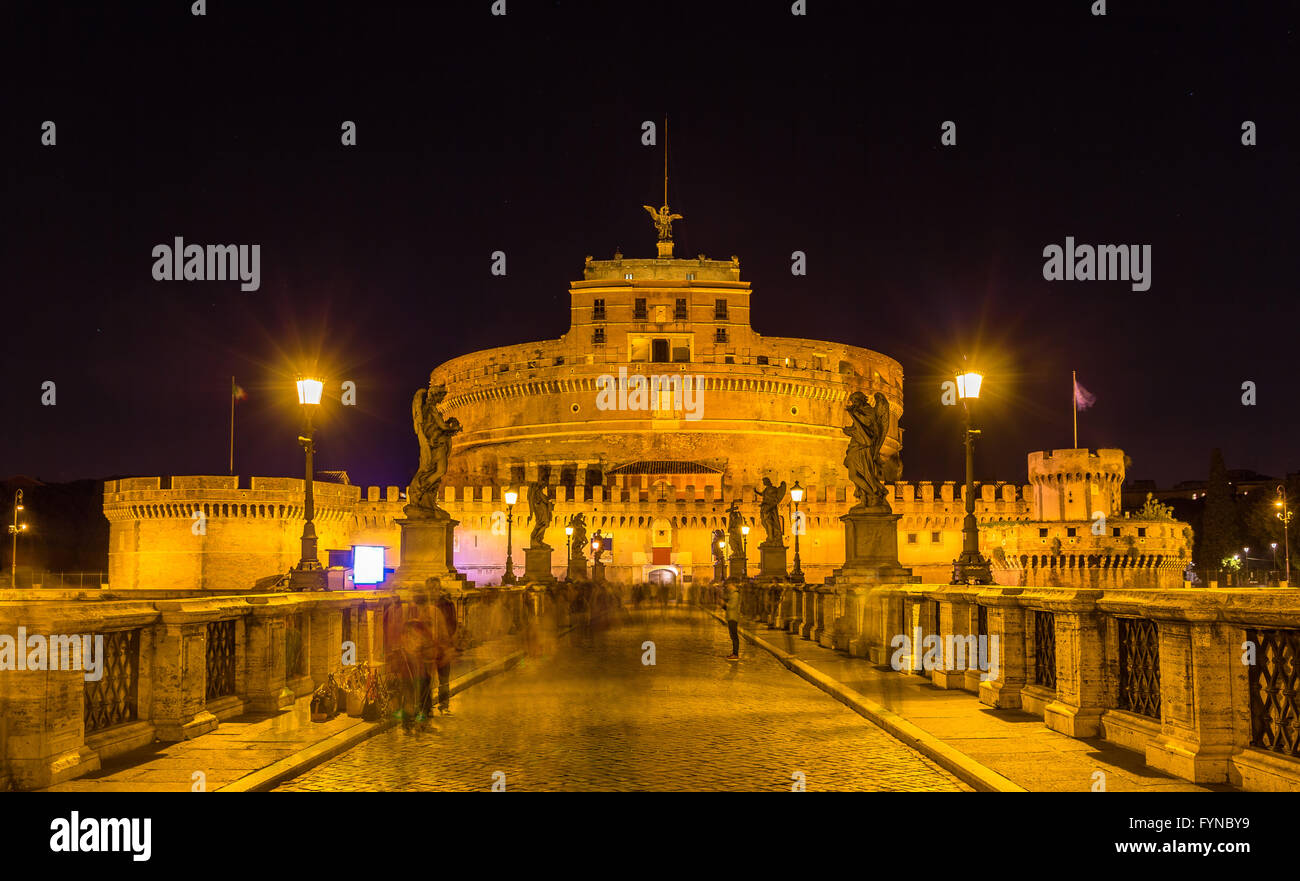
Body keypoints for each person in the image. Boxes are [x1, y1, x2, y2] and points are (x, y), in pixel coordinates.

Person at [430, 585, 459, 715]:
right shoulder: (425, 605)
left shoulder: (447, 605)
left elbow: (453, 623)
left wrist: (446, 639)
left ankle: (444, 705)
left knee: (443, 679)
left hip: (443, 646)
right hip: (429, 648)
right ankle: (428, 707)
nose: (432, 591)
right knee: (427, 680)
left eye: (434, 588)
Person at [722, 583, 741, 660]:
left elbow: (732, 606)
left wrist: (725, 604)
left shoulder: (735, 594)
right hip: (730, 617)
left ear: (732, 585)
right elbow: (728, 608)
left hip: (733, 617)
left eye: (729, 585)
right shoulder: (732, 594)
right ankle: (734, 653)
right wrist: (723, 605)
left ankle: (735, 654)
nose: (728, 587)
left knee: (734, 636)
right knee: (732, 635)